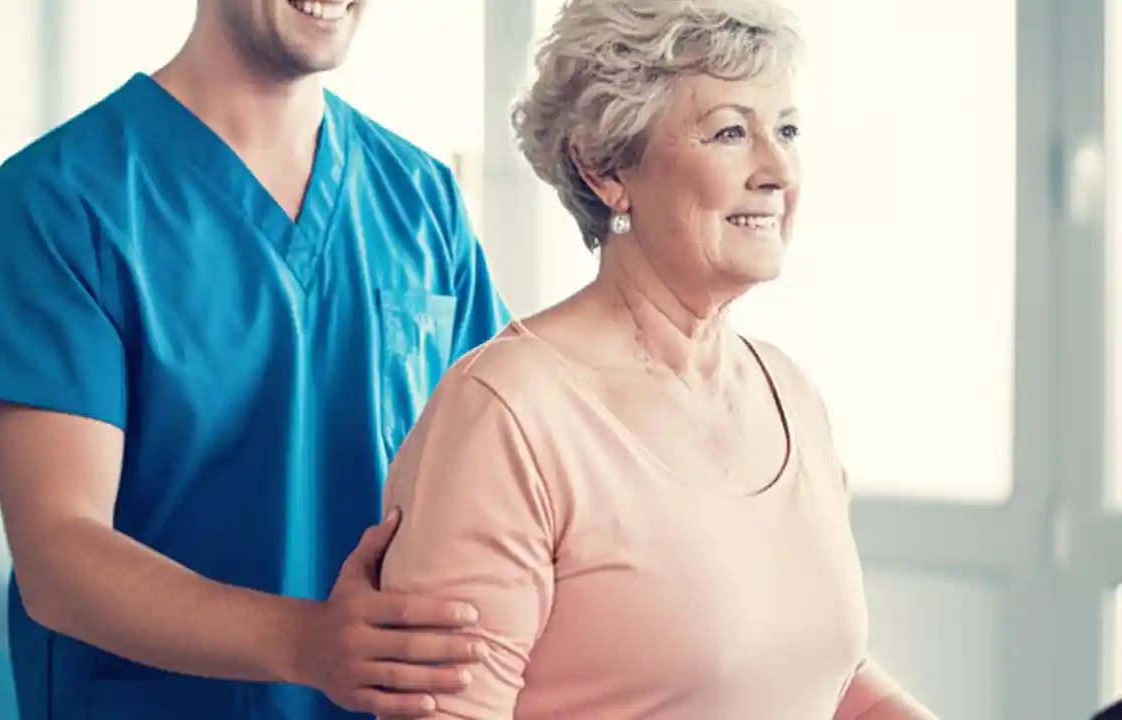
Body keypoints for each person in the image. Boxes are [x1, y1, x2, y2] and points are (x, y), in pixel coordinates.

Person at [0, 0, 507, 718]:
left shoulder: (425, 204)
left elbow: (501, 479)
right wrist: (309, 644)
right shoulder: (60, 202)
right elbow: (58, 552)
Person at [379, 0, 939, 718]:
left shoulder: (790, 394)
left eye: (787, 130)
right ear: (605, 165)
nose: (775, 170)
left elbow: (824, 676)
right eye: (731, 132)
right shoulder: (508, 413)